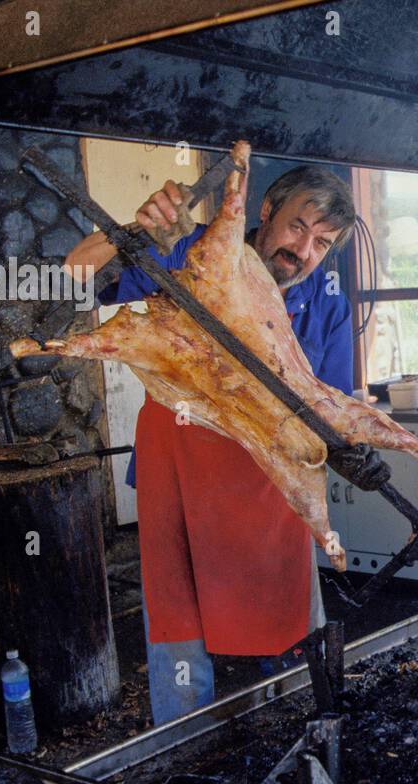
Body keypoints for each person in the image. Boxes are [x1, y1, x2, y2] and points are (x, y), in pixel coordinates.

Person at [65, 165, 357, 724]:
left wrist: (343, 440)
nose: (305, 251)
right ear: (265, 210)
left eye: (322, 242)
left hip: (269, 478)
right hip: (178, 463)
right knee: (177, 613)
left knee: (291, 615)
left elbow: (331, 405)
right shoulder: (189, 250)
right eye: (298, 227)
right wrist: (135, 231)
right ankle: (183, 732)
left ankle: (298, 717)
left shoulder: (326, 299)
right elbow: (71, 275)